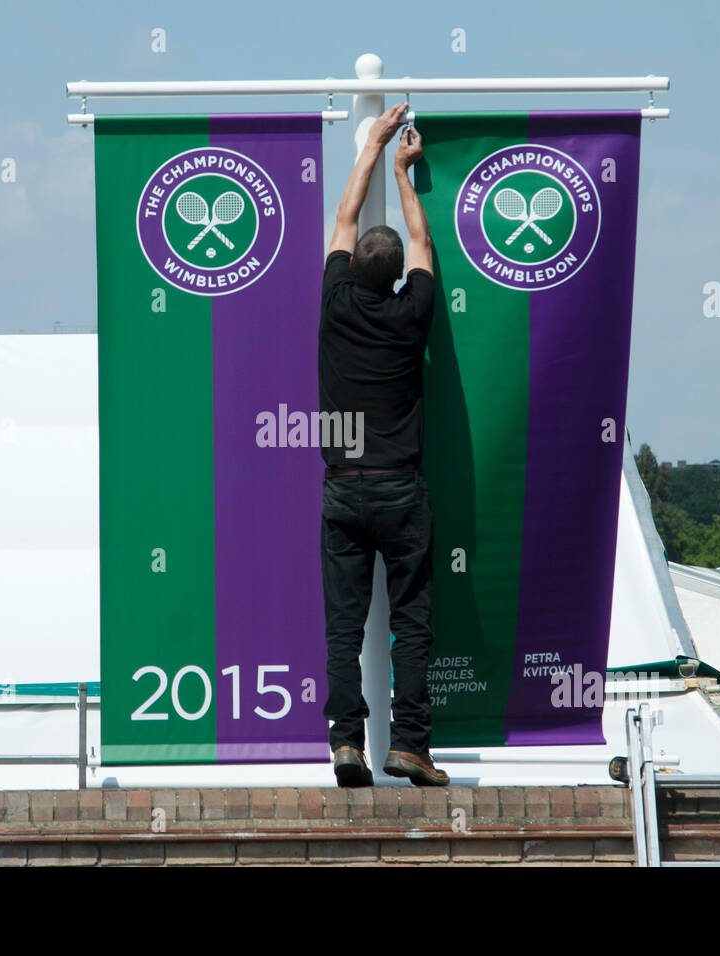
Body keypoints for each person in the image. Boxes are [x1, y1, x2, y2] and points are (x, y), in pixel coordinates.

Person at [318, 102, 448, 788]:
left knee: (344, 628)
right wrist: (405, 171)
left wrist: (370, 146)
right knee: (413, 624)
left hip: (343, 486)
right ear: (398, 276)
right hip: (401, 487)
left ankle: (346, 745)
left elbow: (343, 217)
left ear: (351, 268)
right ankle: (410, 746)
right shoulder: (413, 310)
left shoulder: (334, 301)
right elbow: (422, 243)